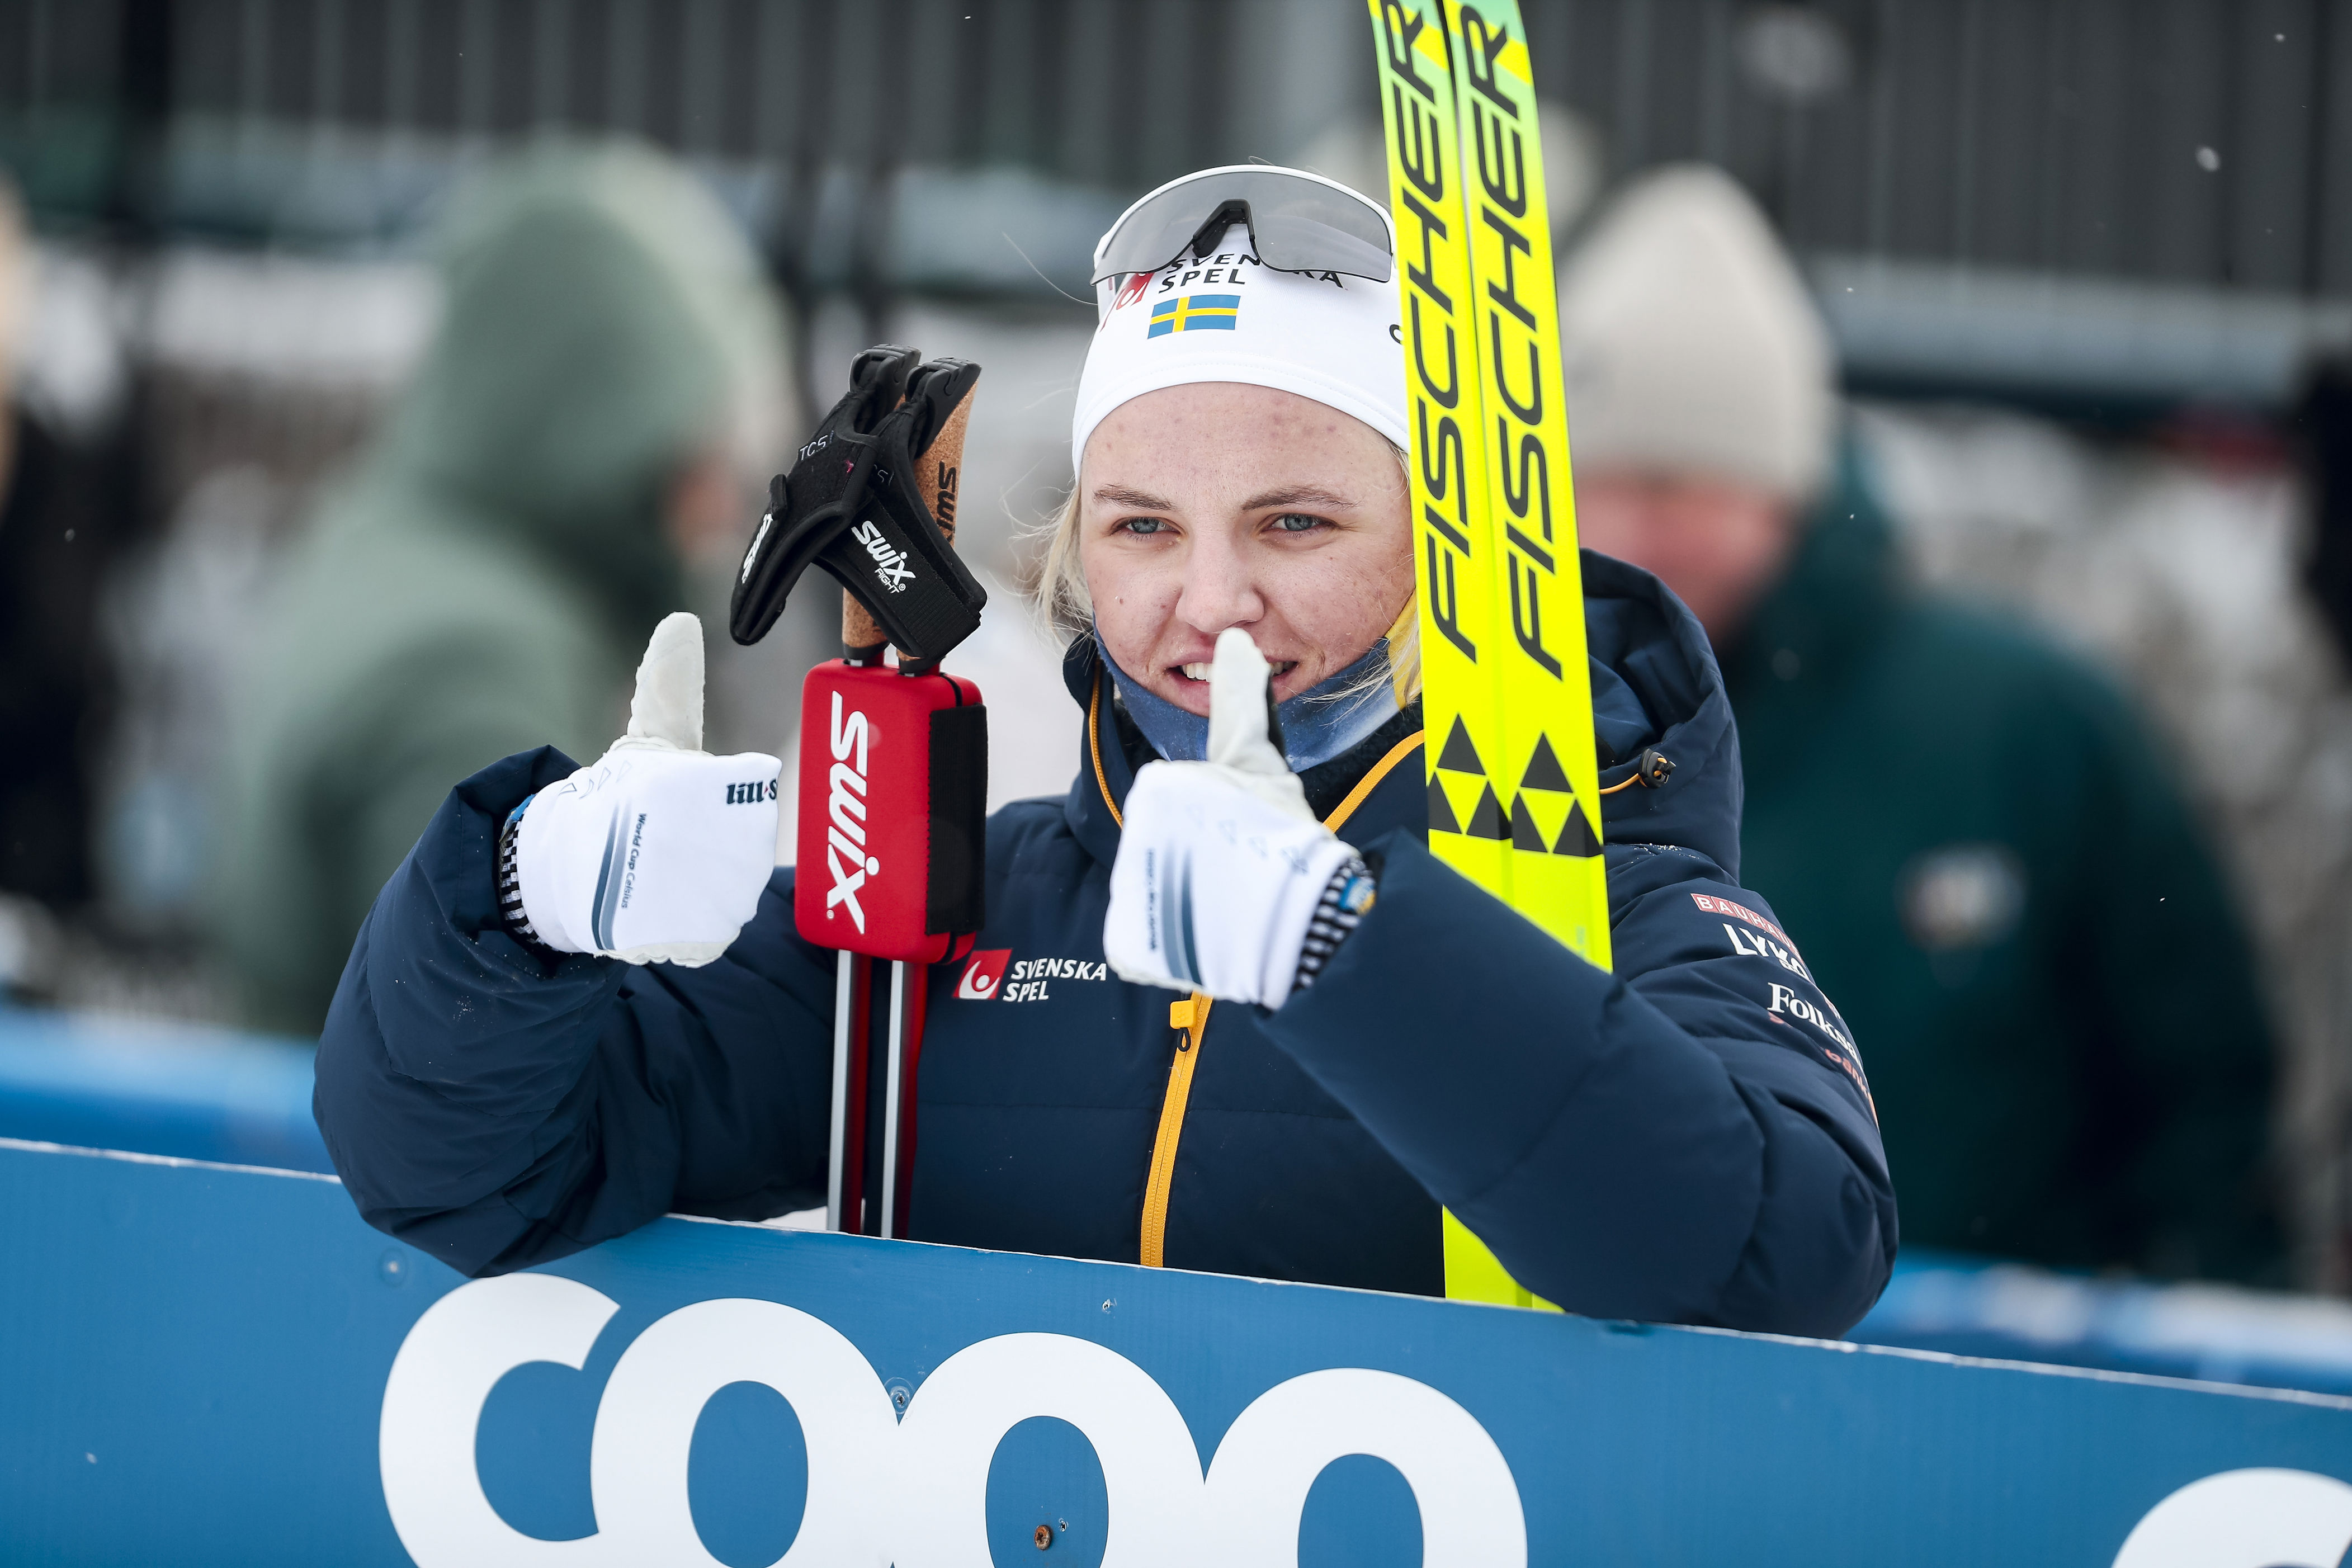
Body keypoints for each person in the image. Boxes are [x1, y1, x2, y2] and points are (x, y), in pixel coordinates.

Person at [313, 165, 1895, 1336]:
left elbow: (1782, 1249)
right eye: (1141, 525)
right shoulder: (953, 914)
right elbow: (468, 1176)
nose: (1208, 602)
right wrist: (514, 908)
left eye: (1295, 521)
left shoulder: (1609, 900)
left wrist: (1350, 944)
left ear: (1456, 560)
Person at [1564, 164, 2281, 1283]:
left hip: (1987, 1391)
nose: (1641, 527)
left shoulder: (2028, 726)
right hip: (1626, 1359)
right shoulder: (1489, 724)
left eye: (1687, 481)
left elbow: (2203, 1095)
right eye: (1604, 479)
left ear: (1786, 489)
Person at [215, 141, 780, 1034]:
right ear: (596, 422)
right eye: (694, 454)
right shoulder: (475, 670)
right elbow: (495, 1033)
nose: (720, 511)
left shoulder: (401, 549)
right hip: (349, 1167)